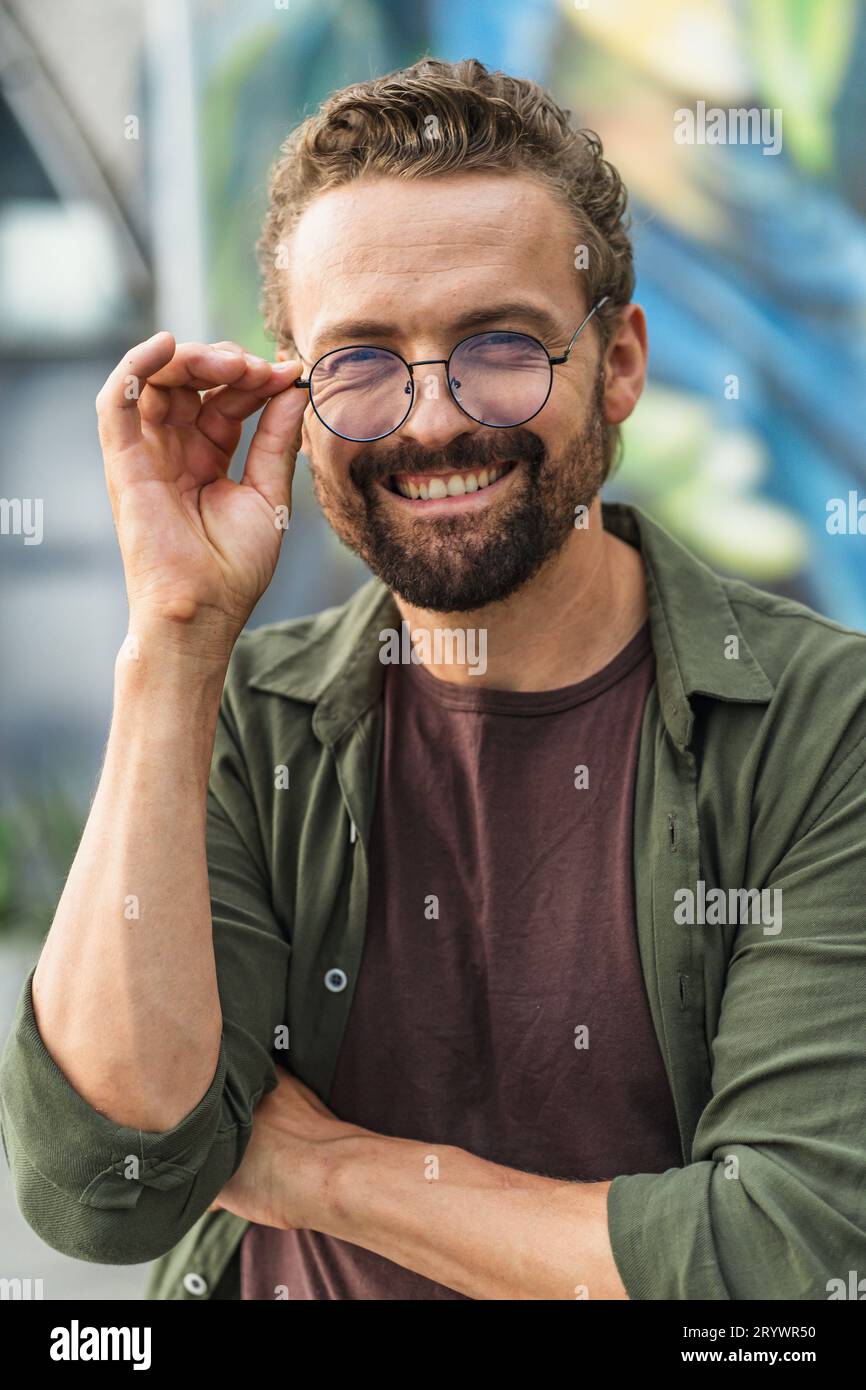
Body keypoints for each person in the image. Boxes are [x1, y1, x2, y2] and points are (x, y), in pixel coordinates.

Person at [1, 57, 864, 1302]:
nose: (427, 419)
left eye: (498, 345)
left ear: (616, 363)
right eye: (359, 362)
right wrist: (176, 637)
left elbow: (784, 1258)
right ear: (294, 398)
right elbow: (105, 1179)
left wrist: (316, 1169)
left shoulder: (820, 726)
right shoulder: (240, 720)